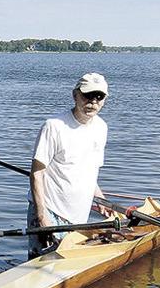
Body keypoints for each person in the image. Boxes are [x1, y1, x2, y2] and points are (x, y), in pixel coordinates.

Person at [27, 72, 111, 257]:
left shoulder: (101, 128)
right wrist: (42, 216)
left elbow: (89, 172)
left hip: (78, 217)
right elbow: (37, 173)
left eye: (99, 97)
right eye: (88, 95)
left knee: (66, 267)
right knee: (41, 266)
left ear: (104, 100)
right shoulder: (54, 126)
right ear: (75, 95)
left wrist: (101, 200)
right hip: (50, 211)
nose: (93, 102)